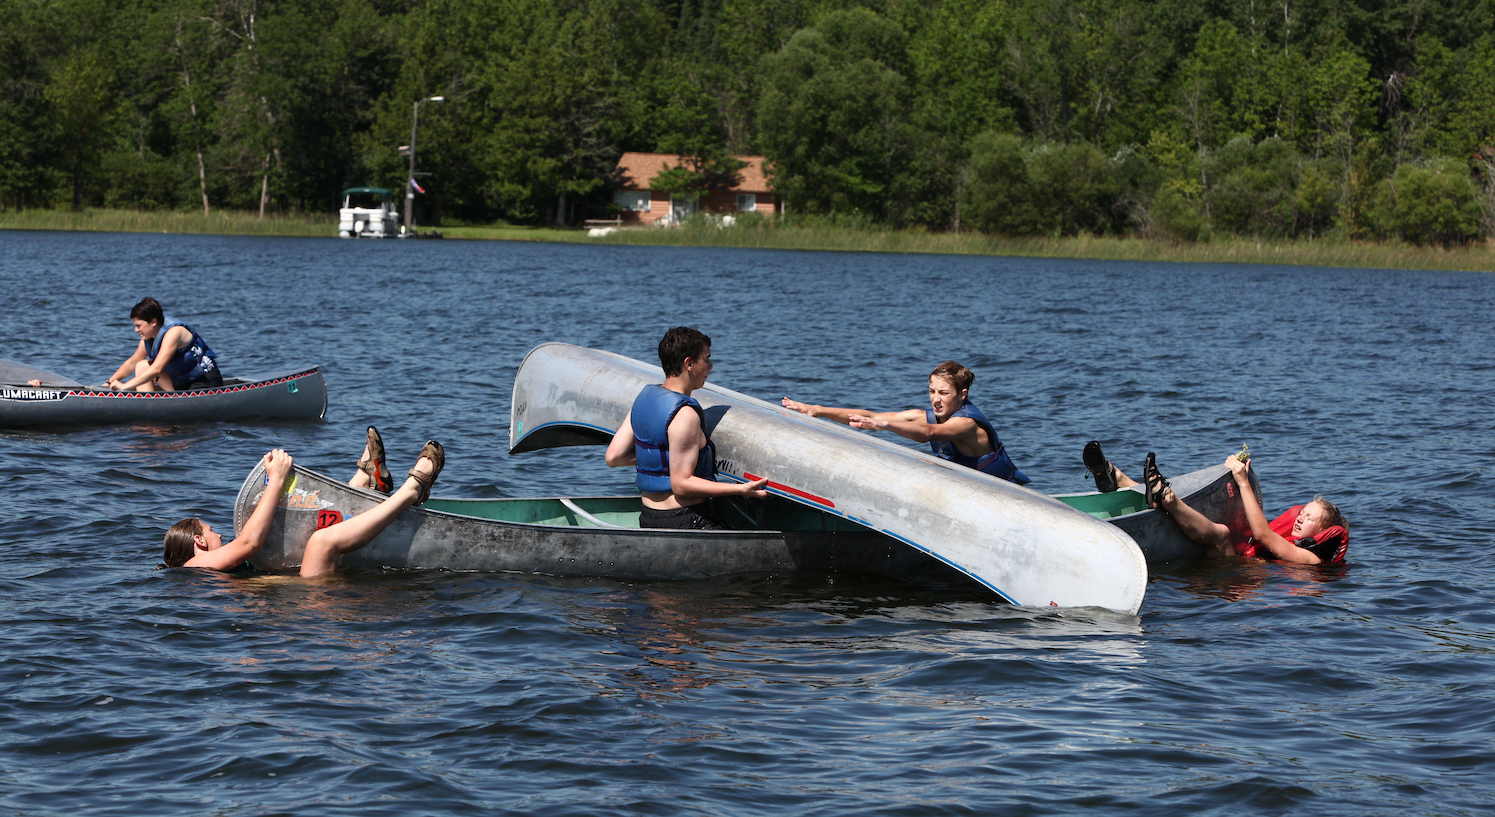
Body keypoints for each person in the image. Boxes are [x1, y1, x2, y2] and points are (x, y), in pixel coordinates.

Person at [159, 427, 444, 577]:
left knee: (307, 529)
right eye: (210, 531)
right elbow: (249, 543)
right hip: (308, 603)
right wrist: (277, 479)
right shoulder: (196, 568)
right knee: (320, 542)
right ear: (198, 540)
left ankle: (364, 483)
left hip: (294, 595)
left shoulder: (208, 569)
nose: (218, 533)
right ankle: (411, 492)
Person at [605, 327, 768, 529]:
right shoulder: (685, 415)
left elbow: (613, 457)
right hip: (687, 520)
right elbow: (681, 485)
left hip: (649, 518)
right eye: (706, 359)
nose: (711, 366)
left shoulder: (644, 400)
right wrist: (742, 490)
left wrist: (669, 457)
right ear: (689, 363)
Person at [1083, 441, 1349, 565]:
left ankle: (1163, 495)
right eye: (1303, 511)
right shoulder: (1293, 538)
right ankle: (1118, 479)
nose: (1301, 518)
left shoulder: (1310, 559)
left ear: (1321, 532)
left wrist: (1242, 481)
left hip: (1234, 576)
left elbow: (1262, 535)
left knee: (1220, 533)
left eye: (1310, 517)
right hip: (1233, 563)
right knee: (1186, 516)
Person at [781, 360, 1029, 485]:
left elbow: (930, 433)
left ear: (962, 394)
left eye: (944, 393)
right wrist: (817, 410)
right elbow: (871, 416)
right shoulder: (925, 415)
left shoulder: (967, 426)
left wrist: (885, 427)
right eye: (932, 391)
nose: (935, 399)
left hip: (1006, 495)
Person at [104, 297, 221, 392]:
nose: (136, 330)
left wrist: (125, 386)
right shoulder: (149, 338)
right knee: (141, 365)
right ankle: (148, 408)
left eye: (139, 325)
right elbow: (132, 363)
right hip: (182, 382)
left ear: (153, 322)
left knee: (148, 368)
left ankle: (172, 404)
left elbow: (157, 369)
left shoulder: (174, 332)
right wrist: (109, 383)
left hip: (205, 382)